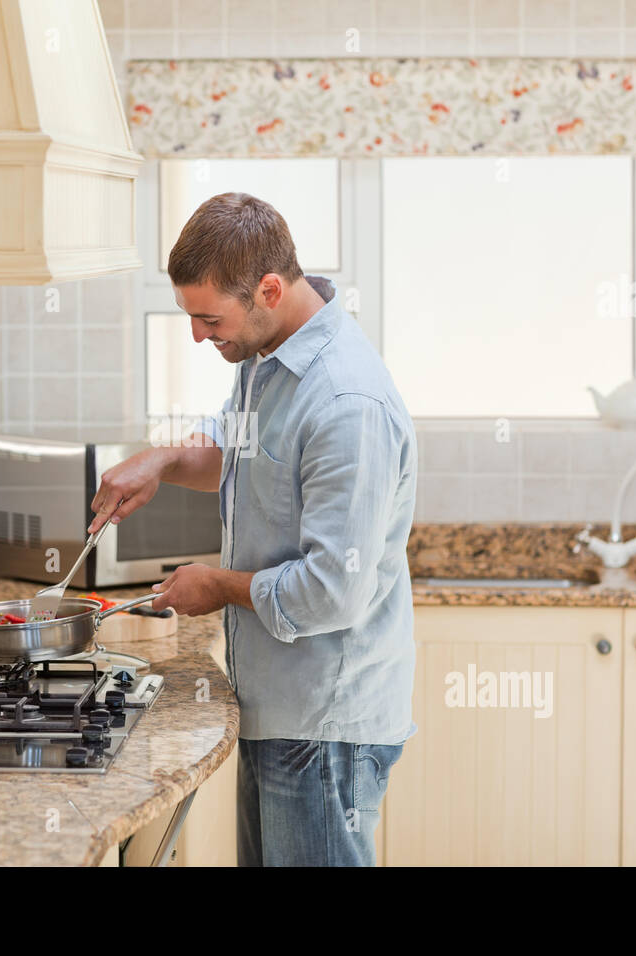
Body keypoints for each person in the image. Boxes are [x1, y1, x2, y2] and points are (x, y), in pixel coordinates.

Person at [88, 192, 417, 866]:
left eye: (209, 319)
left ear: (269, 288)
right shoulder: (270, 359)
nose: (199, 337)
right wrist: (164, 460)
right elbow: (237, 448)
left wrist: (216, 585)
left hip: (323, 725)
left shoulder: (344, 403)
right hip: (280, 710)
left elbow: (332, 590)